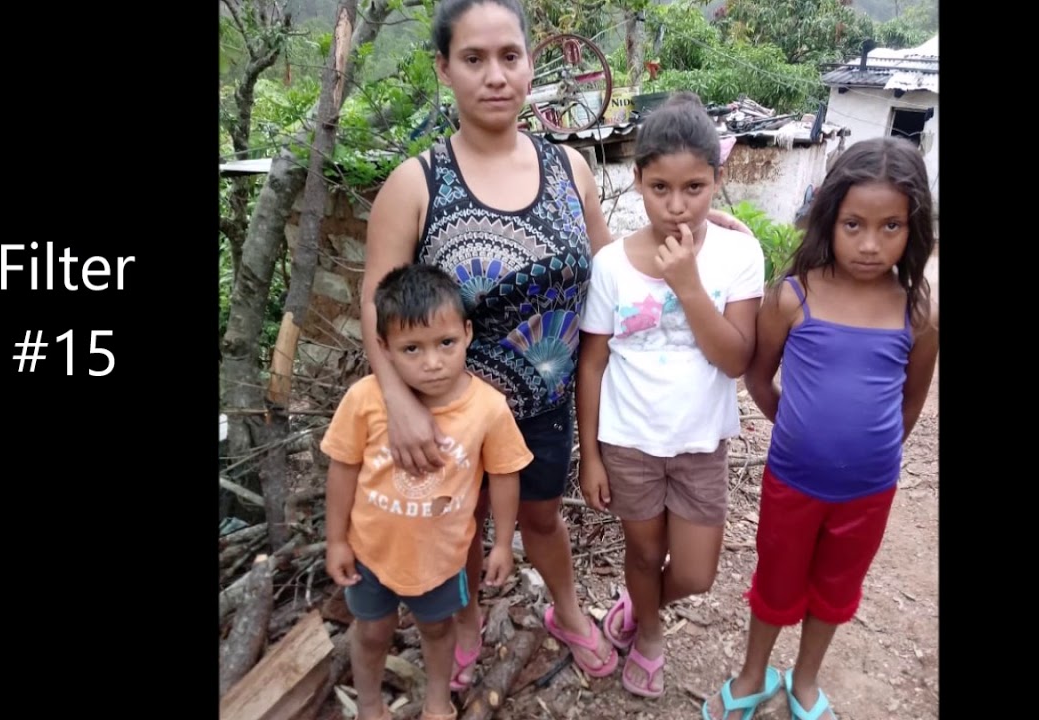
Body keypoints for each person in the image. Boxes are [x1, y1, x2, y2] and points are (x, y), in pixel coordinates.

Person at [357, 0, 755, 689]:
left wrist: (699, 218)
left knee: (540, 516)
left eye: (509, 57)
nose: (494, 76)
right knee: (459, 522)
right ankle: (468, 618)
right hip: (448, 406)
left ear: (530, 66)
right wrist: (398, 400)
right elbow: (376, 299)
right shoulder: (416, 183)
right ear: (443, 70)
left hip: (544, 402)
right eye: (473, 59)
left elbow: (613, 266)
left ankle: (568, 612)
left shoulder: (568, 168)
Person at [701, 135, 940, 720]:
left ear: (914, 230)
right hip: (793, 481)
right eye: (854, 224)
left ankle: (804, 681)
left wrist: (869, 449)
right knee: (775, 580)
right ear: (830, 217)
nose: (869, 243)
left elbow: (910, 403)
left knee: (836, 591)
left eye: (891, 227)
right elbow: (759, 378)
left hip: (869, 490)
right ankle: (755, 674)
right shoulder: (793, 296)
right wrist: (800, 430)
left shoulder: (918, 311)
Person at [575, 91, 765, 700]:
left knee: (695, 571)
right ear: (636, 181)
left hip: (700, 441)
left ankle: (639, 604)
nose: (677, 206)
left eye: (695, 188)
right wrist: (592, 455)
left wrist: (687, 283)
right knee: (643, 548)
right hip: (628, 440)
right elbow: (594, 362)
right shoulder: (611, 265)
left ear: (717, 179)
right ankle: (649, 635)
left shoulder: (739, 253)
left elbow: (735, 358)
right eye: (660, 188)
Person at [321, 263, 533, 720]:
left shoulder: (488, 409)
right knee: (372, 631)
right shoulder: (365, 400)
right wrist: (336, 539)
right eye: (411, 348)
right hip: (370, 555)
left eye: (446, 343)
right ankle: (371, 704)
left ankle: (437, 701)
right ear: (384, 348)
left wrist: (500, 544)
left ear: (467, 333)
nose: (432, 362)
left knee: (437, 631)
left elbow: (504, 474)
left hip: (443, 559)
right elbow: (342, 469)